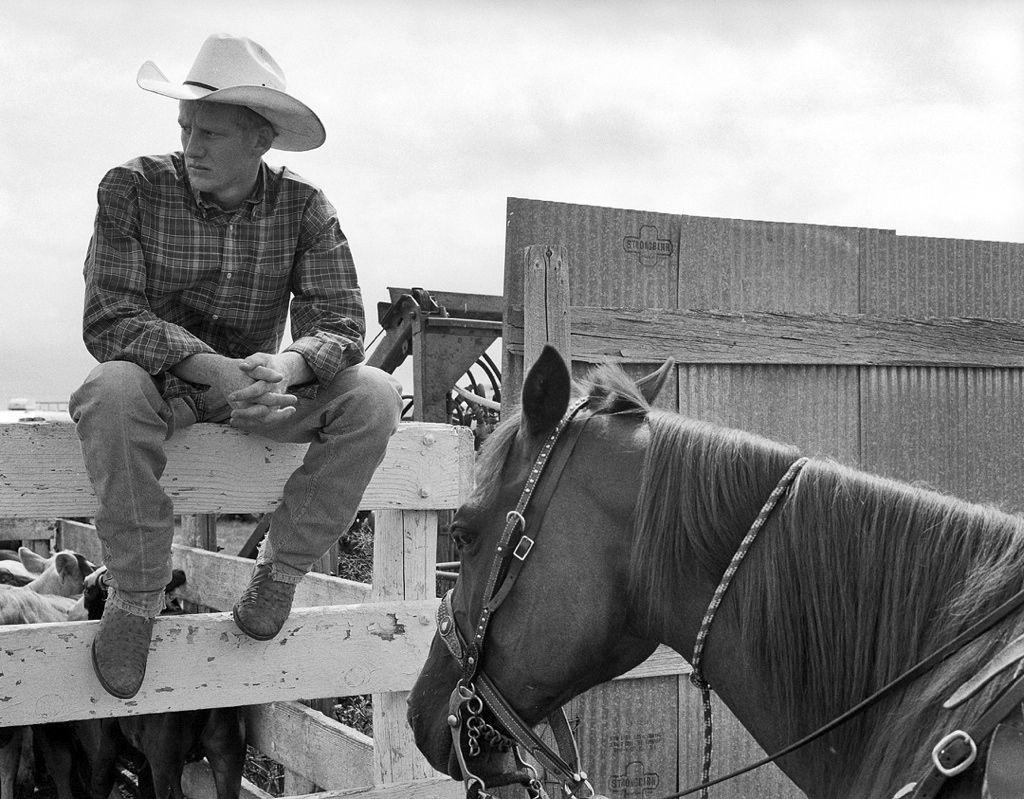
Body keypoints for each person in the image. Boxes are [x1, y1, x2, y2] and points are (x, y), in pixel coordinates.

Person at [69, 33, 404, 699]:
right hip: (157, 385)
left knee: (375, 393)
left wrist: (281, 369)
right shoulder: (131, 188)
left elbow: (340, 323)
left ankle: (279, 573)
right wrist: (210, 366)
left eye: (212, 133)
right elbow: (108, 316)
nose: (192, 145)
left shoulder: (305, 207)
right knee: (109, 389)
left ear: (260, 141)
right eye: (187, 127)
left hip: (256, 393)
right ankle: (136, 599)